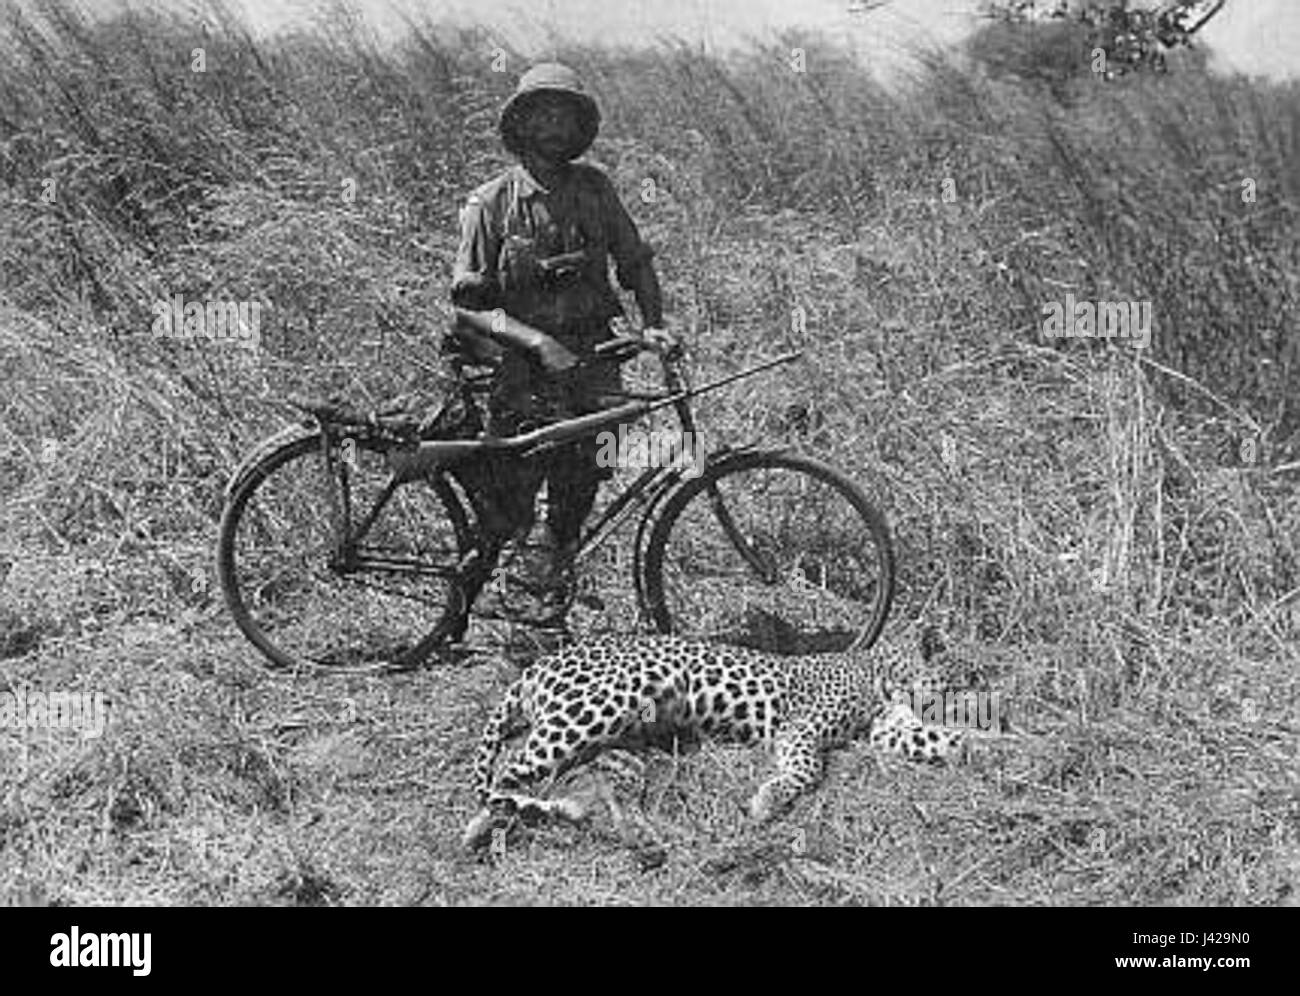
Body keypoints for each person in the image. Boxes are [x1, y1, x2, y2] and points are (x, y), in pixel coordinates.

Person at [447, 61, 677, 634]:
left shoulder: (595, 190)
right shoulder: (491, 204)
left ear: (579, 127)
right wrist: (537, 342)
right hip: (520, 369)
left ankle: (548, 601)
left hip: (595, 362)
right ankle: (464, 611)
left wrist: (654, 324)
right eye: (542, 112)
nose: (554, 123)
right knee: (509, 506)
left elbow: (635, 261)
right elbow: (469, 305)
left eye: (565, 113)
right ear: (521, 125)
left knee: (582, 482)